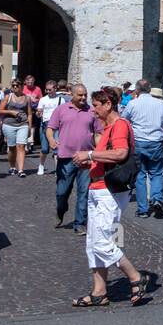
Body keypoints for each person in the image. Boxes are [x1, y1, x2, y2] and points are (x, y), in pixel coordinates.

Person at [71, 87, 151, 307]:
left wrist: (89, 154)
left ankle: (135, 277)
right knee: (92, 242)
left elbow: (120, 153)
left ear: (108, 104)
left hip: (109, 190)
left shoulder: (119, 125)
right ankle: (99, 292)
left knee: (103, 242)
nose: (93, 111)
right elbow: (110, 157)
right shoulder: (108, 127)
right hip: (99, 187)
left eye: (96, 106)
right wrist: (92, 162)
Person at [121, 78, 163, 218]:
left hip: (139, 142)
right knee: (156, 173)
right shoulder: (161, 104)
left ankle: (143, 209)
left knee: (140, 175)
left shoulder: (133, 104)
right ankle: (157, 199)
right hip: (156, 142)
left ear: (137, 90)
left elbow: (124, 121)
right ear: (150, 89)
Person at [49, 83, 98, 233]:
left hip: (86, 158)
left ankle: (79, 224)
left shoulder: (92, 111)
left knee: (84, 192)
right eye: (80, 95)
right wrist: (51, 139)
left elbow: (98, 133)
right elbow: (51, 128)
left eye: (85, 95)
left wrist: (97, 152)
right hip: (66, 157)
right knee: (62, 192)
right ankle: (61, 210)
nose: (83, 98)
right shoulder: (61, 110)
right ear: (72, 95)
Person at [0, 78, 33, 176]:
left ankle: (21, 170)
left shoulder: (27, 98)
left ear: (22, 87)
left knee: (21, 146)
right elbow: (0, 110)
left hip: (23, 124)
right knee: (12, 148)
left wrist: (29, 127)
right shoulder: (8, 97)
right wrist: (11, 112)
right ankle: (12, 166)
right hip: (9, 124)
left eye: (17, 85)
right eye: (13, 85)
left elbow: (29, 114)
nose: (15, 87)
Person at [35, 80, 62, 176]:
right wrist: (38, 113)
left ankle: (58, 169)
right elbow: (39, 111)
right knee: (45, 149)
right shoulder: (43, 99)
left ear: (55, 89)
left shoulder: (61, 100)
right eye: (46, 89)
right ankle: (41, 165)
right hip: (45, 125)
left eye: (50, 89)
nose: (48, 91)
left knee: (56, 149)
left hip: (57, 126)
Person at [21, 75, 43, 154]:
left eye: (32, 82)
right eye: (28, 82)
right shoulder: (22, 88)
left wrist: (36, 100)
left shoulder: (37, 89)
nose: (30, 84)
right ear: (25, 82)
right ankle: (25, 144)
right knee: (24, 126)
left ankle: (30, 144)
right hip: (24, 110)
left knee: (32, 127)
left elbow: (41, 99)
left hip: (34, 110)